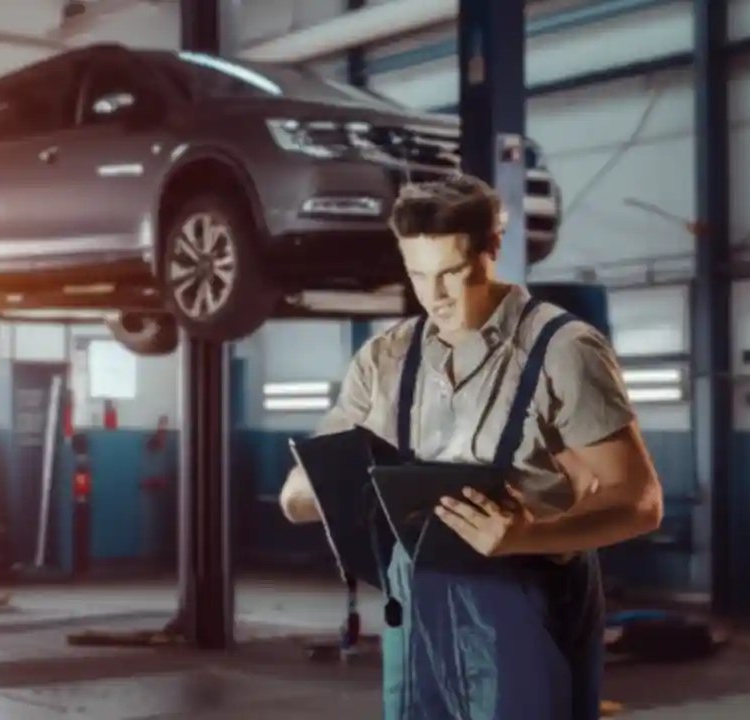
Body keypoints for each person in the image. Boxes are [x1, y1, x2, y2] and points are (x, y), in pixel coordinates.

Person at [278, 174, 663, 719]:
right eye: (417, 274)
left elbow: (641, 501)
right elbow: (307, 483)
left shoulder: (563, 351)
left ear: (493, 248)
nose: (433, 296)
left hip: (526, 605)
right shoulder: (384, 360)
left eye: (452, 274)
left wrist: (530, 535)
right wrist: (313, 495)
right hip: (414, 608)